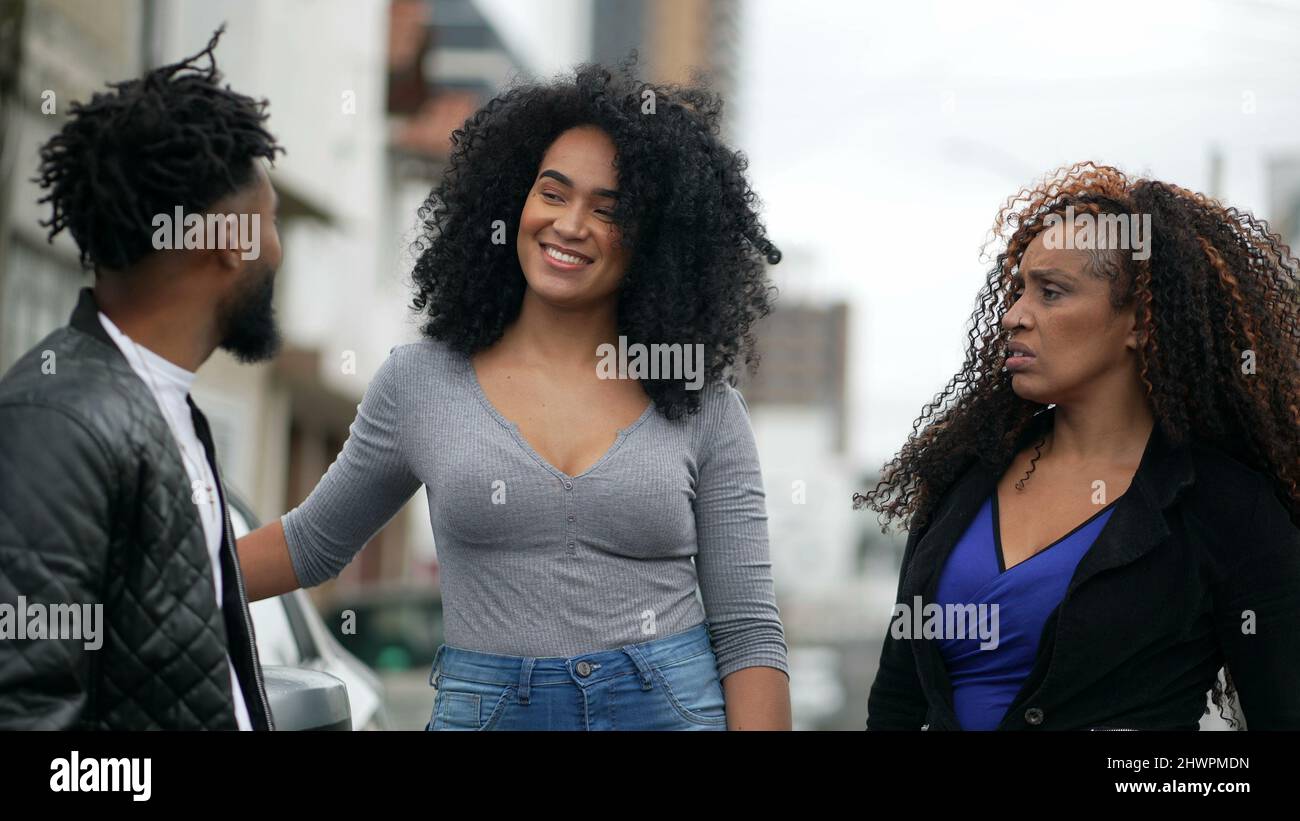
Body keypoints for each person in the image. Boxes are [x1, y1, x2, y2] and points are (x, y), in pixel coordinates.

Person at [238, 58, 792, 730]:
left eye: (608, 209)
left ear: (654, 240)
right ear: (513, 201)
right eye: (553, 194)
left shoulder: (703, 405)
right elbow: (309, 545)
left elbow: (747, 632)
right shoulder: (421, 383)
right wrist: (128, 575)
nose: (570, 224)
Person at [858, 162, 1300, 730]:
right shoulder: (964, 475)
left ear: (1141, 321)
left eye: (1052, 292)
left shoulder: (1229, 508)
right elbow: (896, 702)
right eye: (1019, 289)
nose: (1015, 316)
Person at [0, 27, 284, 730]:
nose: (278, 251)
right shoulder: (57, 422)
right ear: (227, 241)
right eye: (272, 222)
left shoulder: (159, 409)